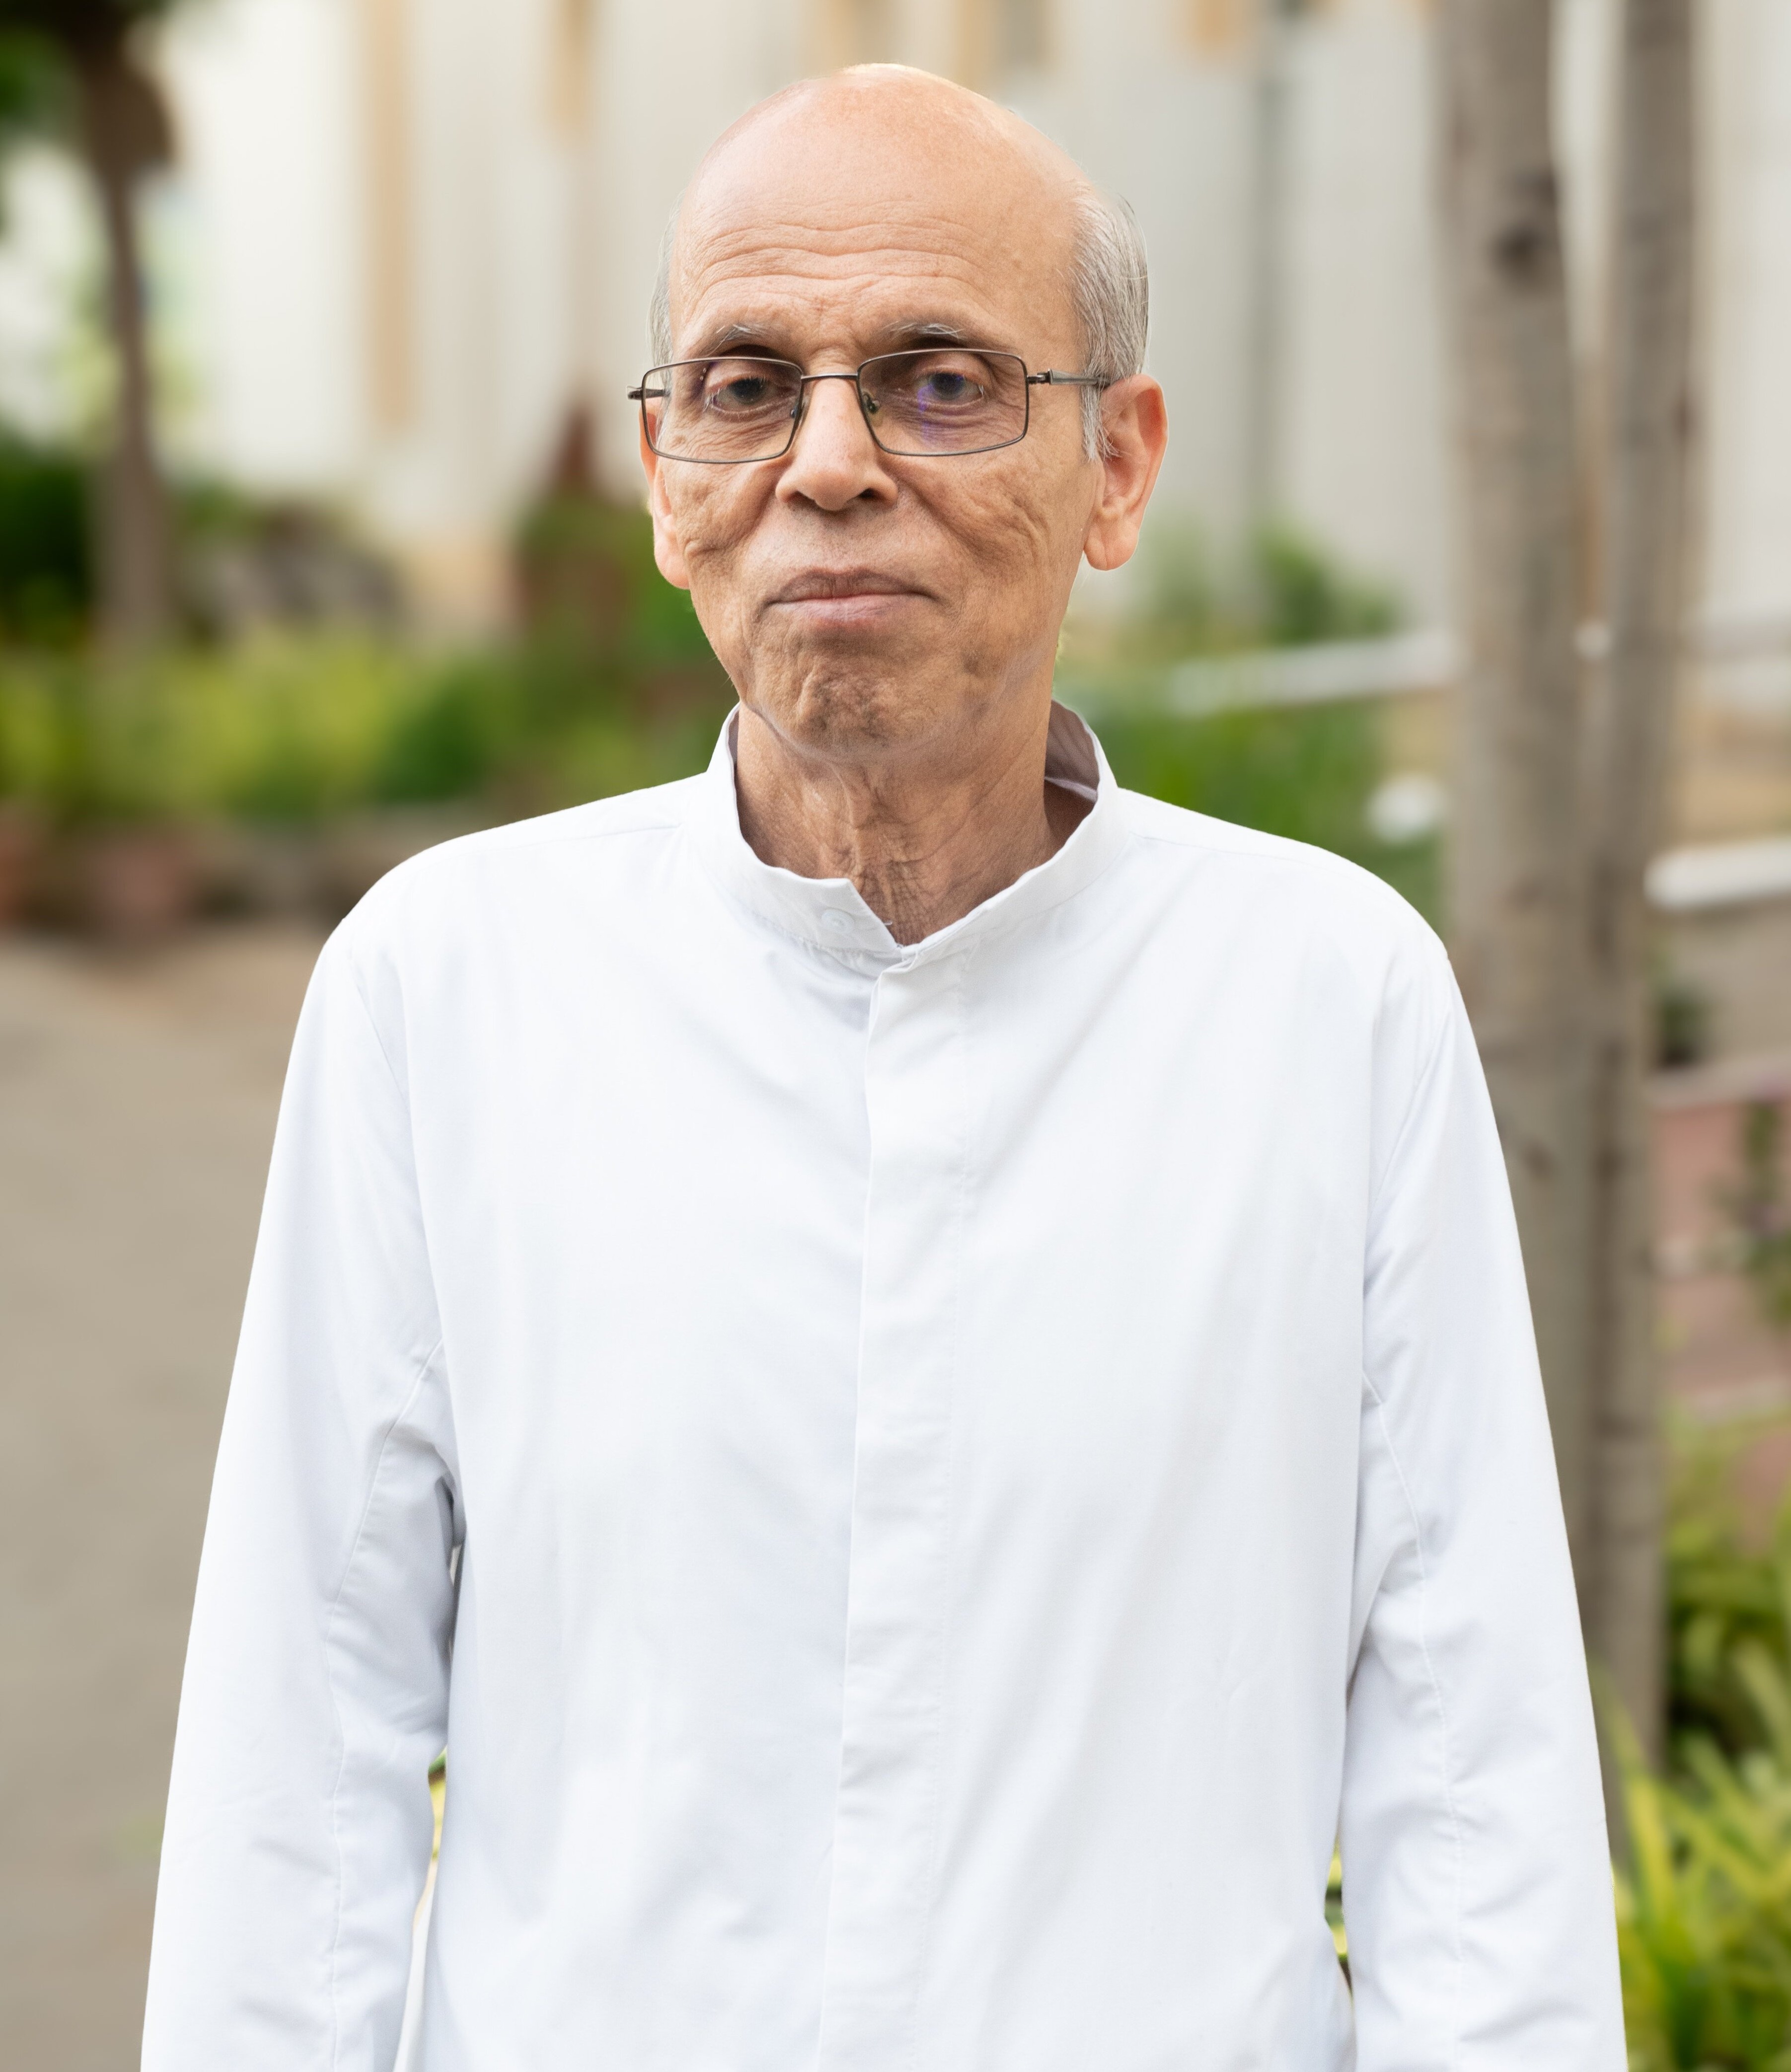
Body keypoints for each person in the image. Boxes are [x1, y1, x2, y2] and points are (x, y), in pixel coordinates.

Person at [143, 64, 1623, 2072]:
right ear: (669, 478)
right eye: (748, 385)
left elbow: (1472, 1776)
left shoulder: (1328, 1001)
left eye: (939, 380)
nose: (828, 461)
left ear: (1117, 466)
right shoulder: (443, 990)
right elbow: (296, 1764)